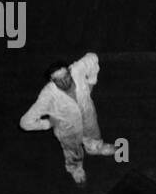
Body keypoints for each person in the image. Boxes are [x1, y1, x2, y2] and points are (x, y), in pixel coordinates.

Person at [18, 53, 114, 185]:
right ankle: (76, 169)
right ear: (52, 81)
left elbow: (93, 57)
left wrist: (92, 81)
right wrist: (48, 123)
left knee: (93, 134)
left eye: (66, 76)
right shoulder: (47, 96)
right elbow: (25, 122)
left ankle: (95, 148)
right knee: (72, 150)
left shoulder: (77, 69)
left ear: (70, 71)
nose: (64, 82)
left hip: (88, 115)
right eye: (58, 80)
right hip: (68, 130)